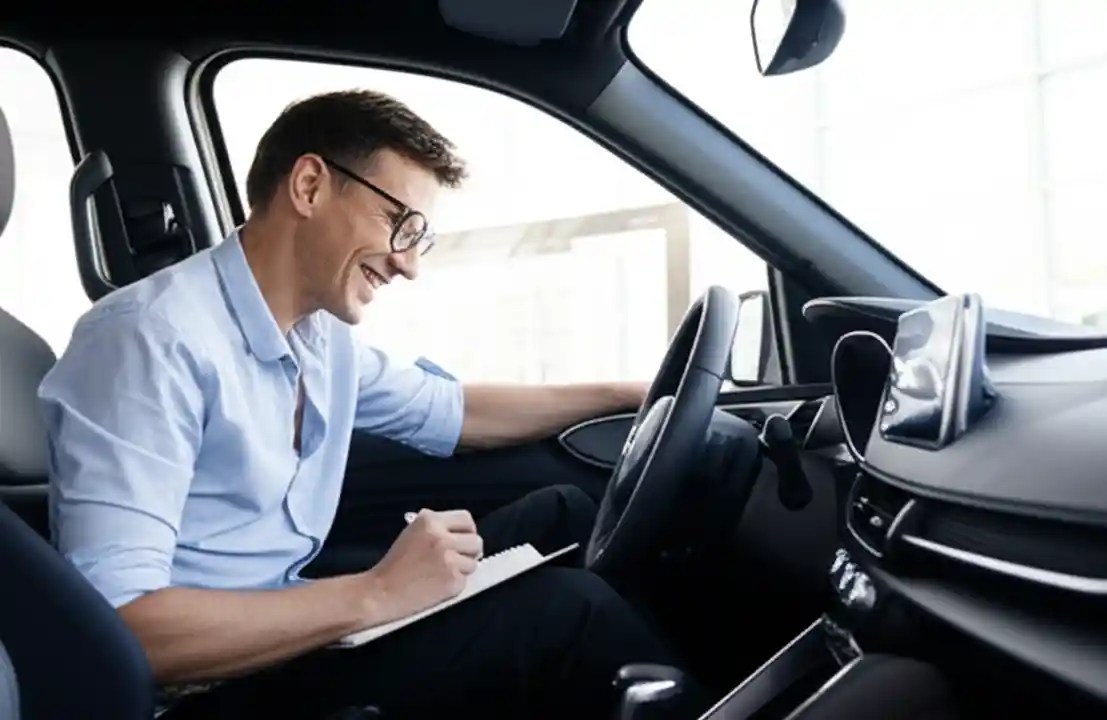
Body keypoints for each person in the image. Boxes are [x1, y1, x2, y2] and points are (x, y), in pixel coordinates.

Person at [38, 89, 694, 718]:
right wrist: (376, 594)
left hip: (286, 630)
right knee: (564, 610)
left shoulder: (320, 337)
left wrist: (629, 395)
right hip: (203, 694)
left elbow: (455, 411)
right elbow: (124, 629)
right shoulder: (148, 339)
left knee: (565, 514)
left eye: (420, 237)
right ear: (310, 186)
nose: (408, 265)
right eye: (398, 223)